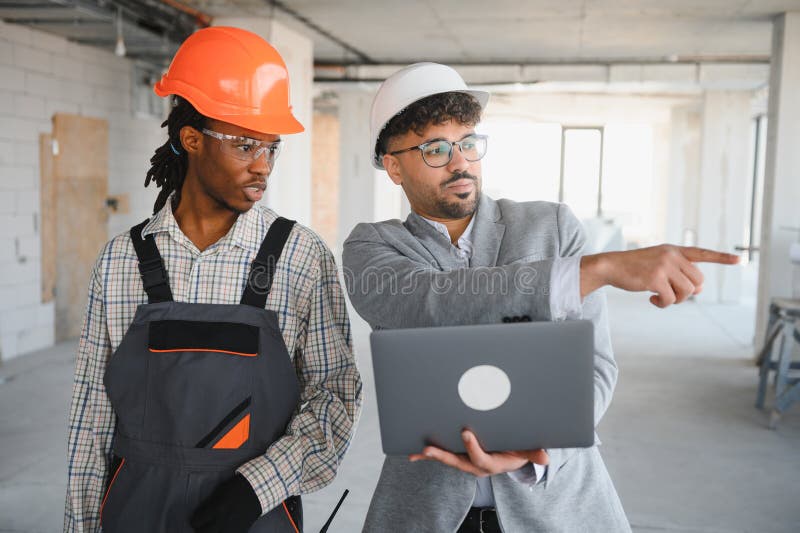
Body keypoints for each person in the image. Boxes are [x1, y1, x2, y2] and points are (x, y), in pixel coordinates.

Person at [342, 62, 739, 532]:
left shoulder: (551, 227)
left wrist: (533, 447)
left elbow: (596, 367)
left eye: (468, 142)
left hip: (557, 504)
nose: (460, 162)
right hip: (428, 510)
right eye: (436, 149)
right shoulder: (372, 248)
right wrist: (598, 270)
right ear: (393, 166)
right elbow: (431, 301)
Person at [64, 26, 362, 533]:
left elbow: (335, 396)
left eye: (272, 148)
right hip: (136, 514)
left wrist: (259, 486)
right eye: (246, 145)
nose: (262, 167)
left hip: (255, 517)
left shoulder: (300, 257)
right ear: (192, 139)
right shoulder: (121, 263)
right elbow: (90, 418)